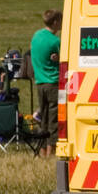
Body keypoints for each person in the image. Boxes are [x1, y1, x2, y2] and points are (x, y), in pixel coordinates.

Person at [31, 8, 62, 157]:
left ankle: (42, 150)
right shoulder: (55, 41)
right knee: (54, 120)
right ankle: (51, 152)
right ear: (55, 22)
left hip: (40, 82)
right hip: (54, 83)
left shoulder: (36, 36)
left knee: (43, 118)